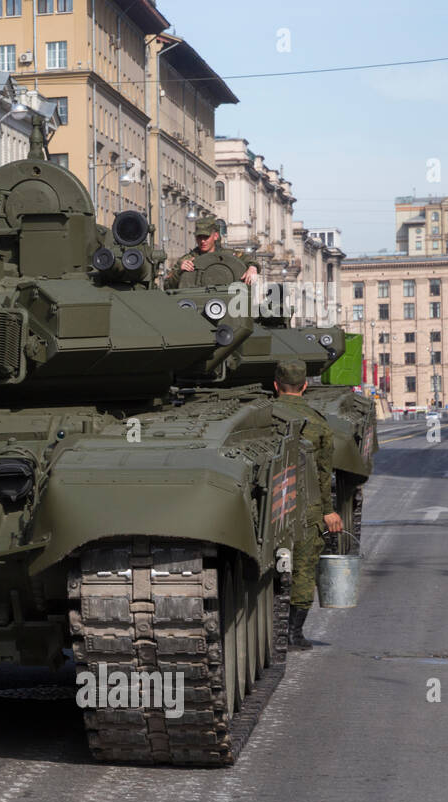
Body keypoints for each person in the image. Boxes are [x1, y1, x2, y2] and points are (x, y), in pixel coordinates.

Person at [274, 359, 343, 649]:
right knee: (303, 566)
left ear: (275, 385)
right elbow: (325, 475)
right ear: (305, 386)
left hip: (274, 505)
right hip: (307, 506)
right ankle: (293, 633)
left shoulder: (264, 416)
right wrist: (328, 511)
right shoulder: (319, 424)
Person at [163, 215, 259, 289]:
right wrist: (179, 271)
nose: (202, 241)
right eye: (199, 237)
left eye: (206, 237)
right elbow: (167, 286)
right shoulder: (187, 260)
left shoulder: (228, 255)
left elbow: (249, 260)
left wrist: (252, 268)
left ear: (216, 236)